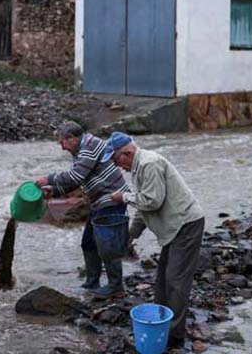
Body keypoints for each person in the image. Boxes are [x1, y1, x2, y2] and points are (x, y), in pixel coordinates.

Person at [107, 132, 204, 349]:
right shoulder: (138, 169)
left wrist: (124, 197)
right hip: (173, 228)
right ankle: (160, 325)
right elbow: (143, 209)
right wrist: (130, 236)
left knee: (176, 282)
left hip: (186, 224)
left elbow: (152, 201)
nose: (117, 166)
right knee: (162, 281)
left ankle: (174, 337)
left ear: (127, 153)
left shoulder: (149, 164)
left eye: (116, 160)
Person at [34, 121, 129, 299]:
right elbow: (77, 181)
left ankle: (116, 286)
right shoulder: (81, 150)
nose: (62, 148)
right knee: (88, 243)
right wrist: (54, 191)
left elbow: (76, 175)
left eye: (62, 142)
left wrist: (49, 179)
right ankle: (92, 282)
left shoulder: (90, 145)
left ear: (71, 138)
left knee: (107, 246)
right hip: (99, 201)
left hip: (111, 199)